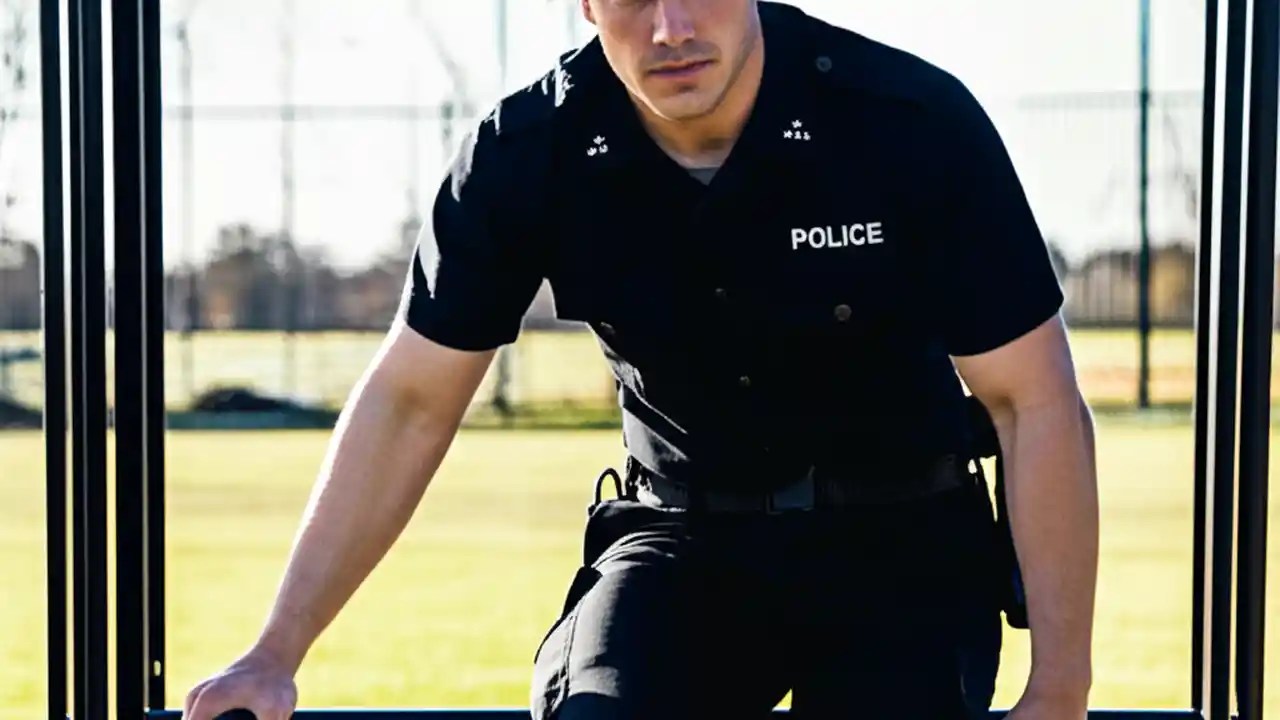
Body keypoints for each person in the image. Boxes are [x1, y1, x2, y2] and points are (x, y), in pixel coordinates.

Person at [184, 1, 1099, 719]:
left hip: (904, 542)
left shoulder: (909, 122)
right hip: (684, 540)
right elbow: (410, 402)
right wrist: (274, 653)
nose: (669, 28)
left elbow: (1033, 403)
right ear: (586, 4)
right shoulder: (526, 153)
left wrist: (1059, 692)